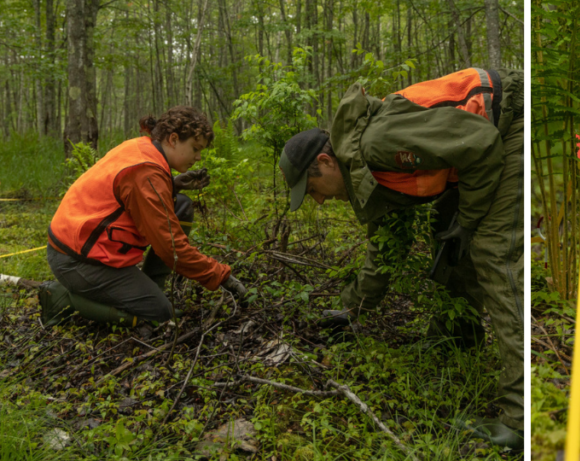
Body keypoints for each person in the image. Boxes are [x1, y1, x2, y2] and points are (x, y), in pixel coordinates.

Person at [278, 67, 524, 449]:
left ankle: (520, 422)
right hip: (477, 156)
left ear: (325, 163)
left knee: (495, 256)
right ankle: (457, 339)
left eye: (313, 190)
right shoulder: (362, 168)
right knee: (449, 241)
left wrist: (470, 218)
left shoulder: (378, 142)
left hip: (513, 125)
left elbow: (483, 142)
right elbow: (386, 239)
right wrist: (353, 308)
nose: (321, 200)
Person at [40, 107, 248, 334]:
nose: (198, 157)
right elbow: (171, 248)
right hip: (75, 261)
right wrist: (220, 275)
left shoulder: (144, 148)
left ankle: (149, 287)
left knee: (182, 205)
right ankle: (61, 298)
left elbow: (129, 194)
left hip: (85, 245)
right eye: (195, 149)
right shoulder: (145, 171)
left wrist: (173, 183)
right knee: (161, 313)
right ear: (174, 139)